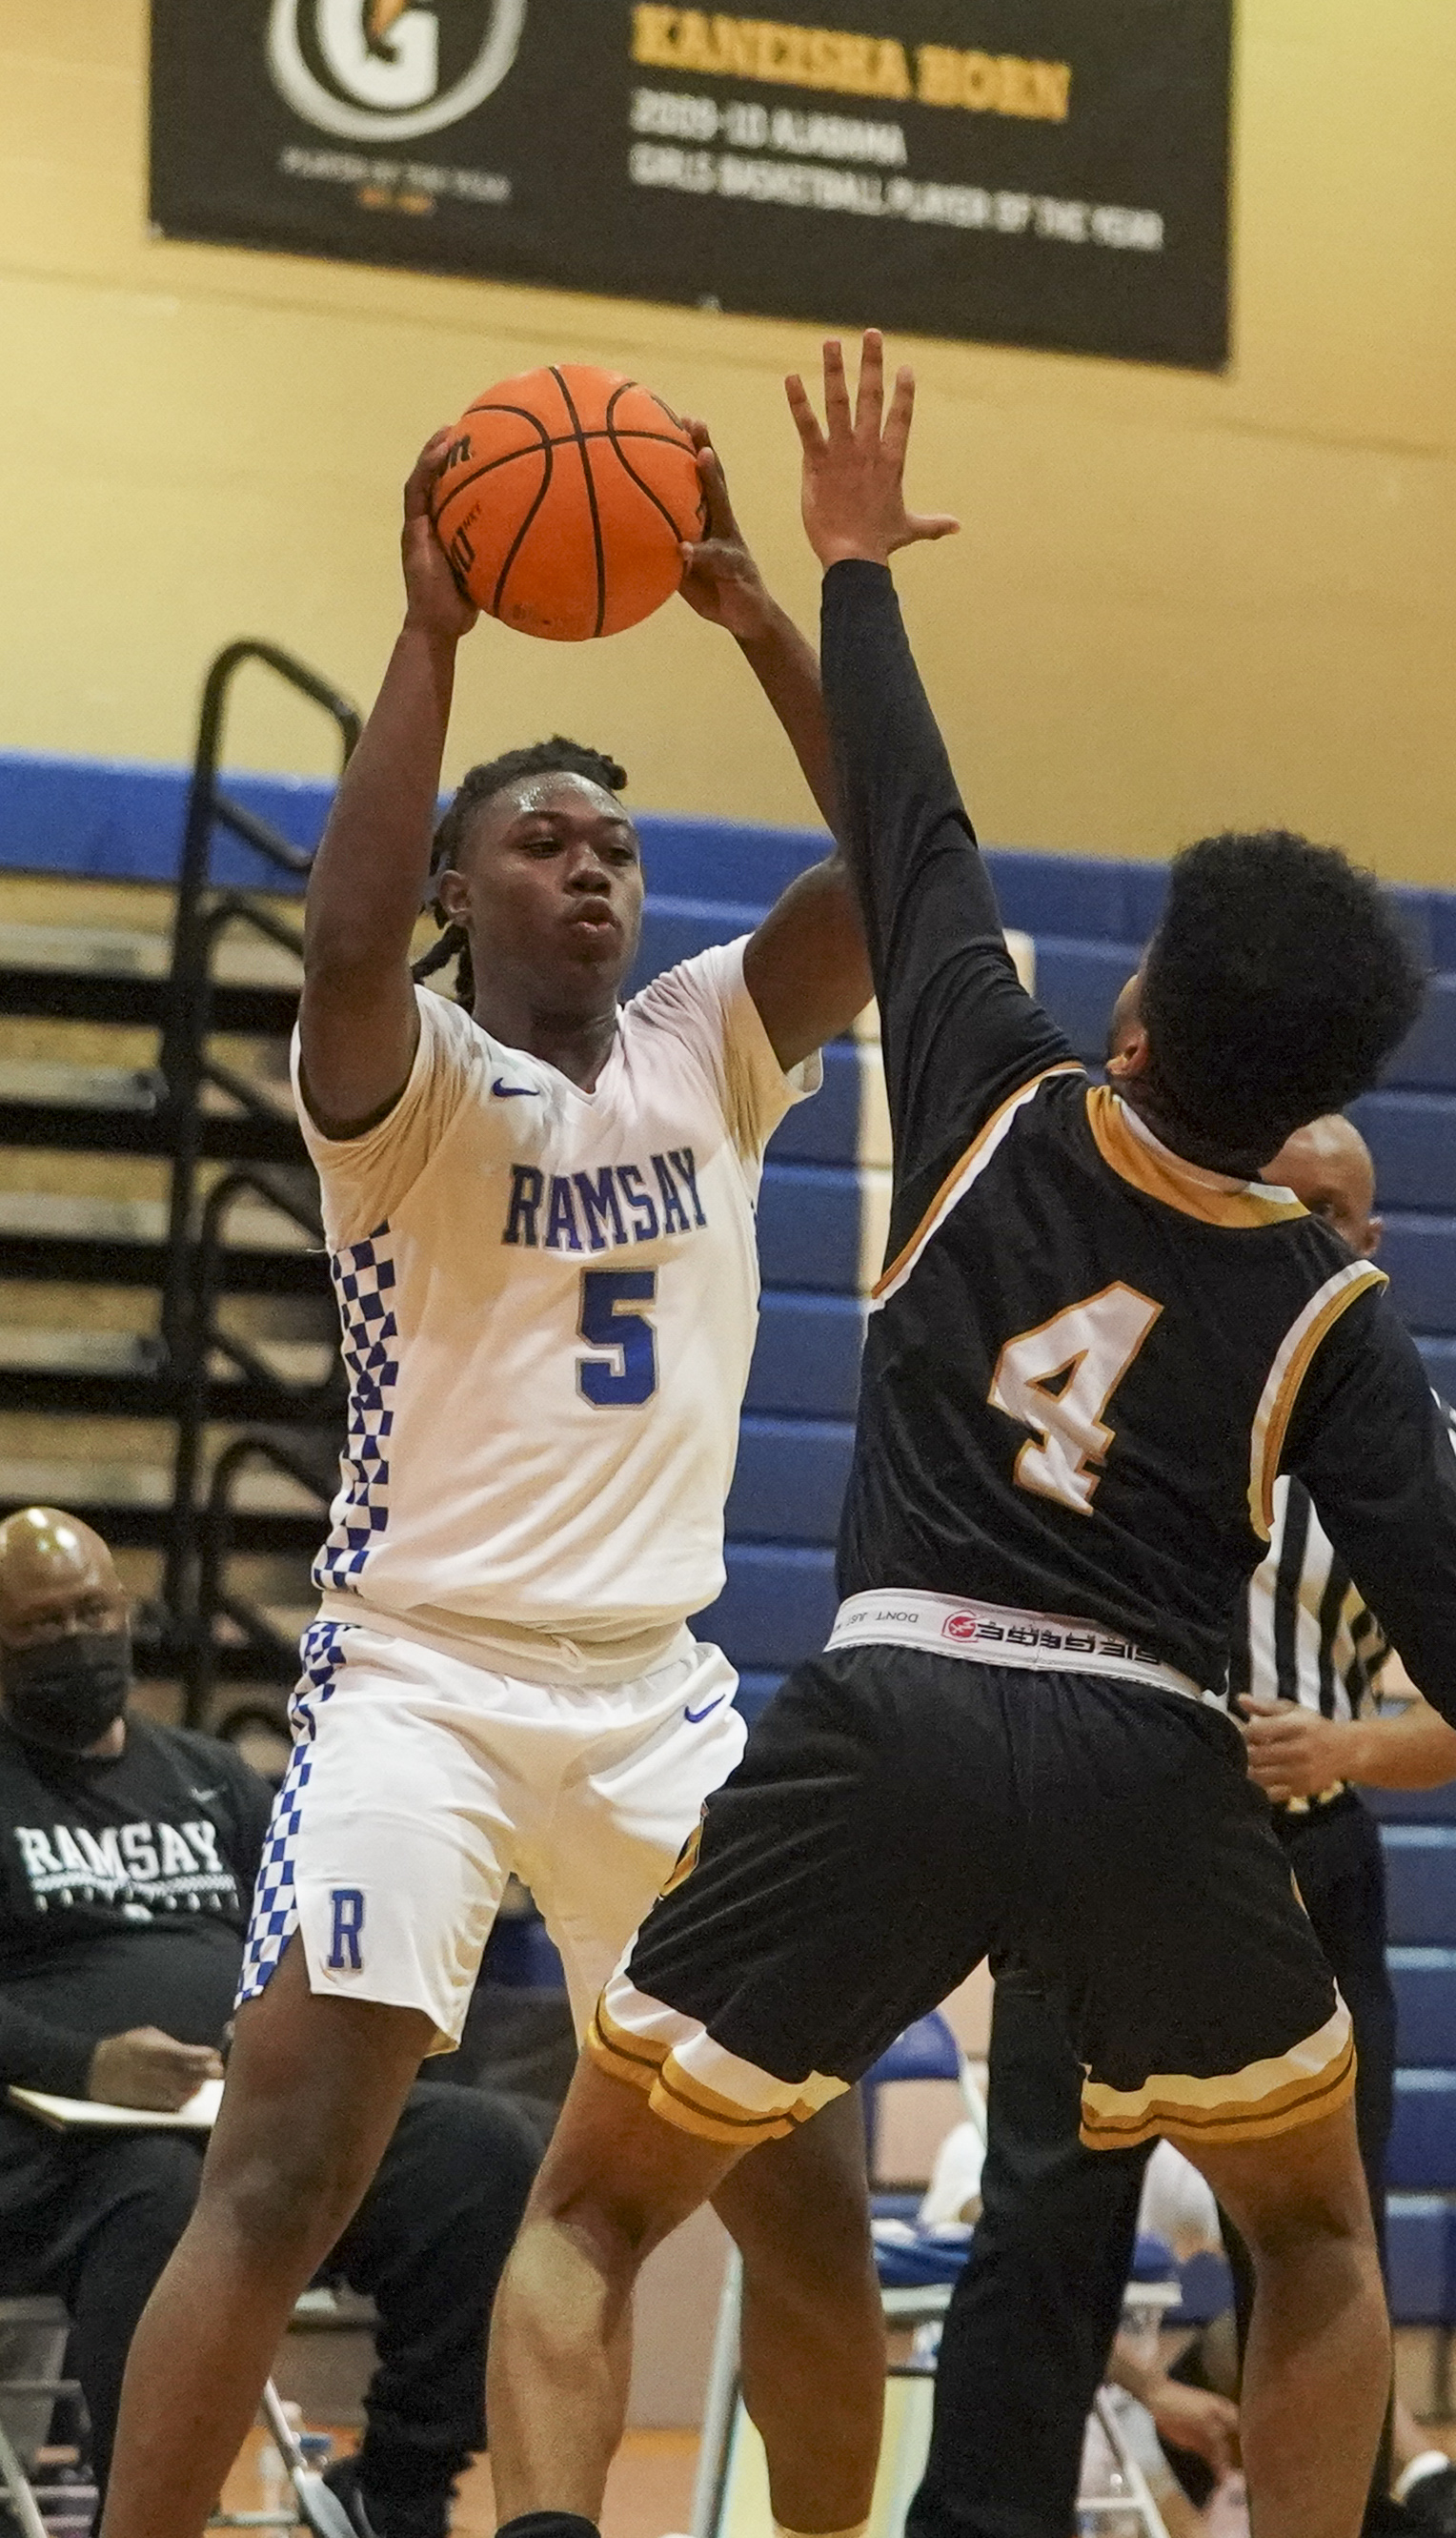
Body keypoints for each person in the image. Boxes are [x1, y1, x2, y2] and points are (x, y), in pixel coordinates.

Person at [481, 332, 1456, 2538]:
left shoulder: (991, 1091)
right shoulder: (1323, 1300)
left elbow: (913, 815)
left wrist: (838, 571)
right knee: (1315, 2245)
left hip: (898, 1706)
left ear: (1134, 1014)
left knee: (582, 2219)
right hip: (1154, 1769)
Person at [103, 415, 899, 2538]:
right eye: (544, 841)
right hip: (424, 1687)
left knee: (812, 2198)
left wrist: (762, 622)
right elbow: (342, 945)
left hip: (658, 1696)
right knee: (278, 2172)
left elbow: (911, 858)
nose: (596, 866)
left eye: (617, 845)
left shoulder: (715, 1039)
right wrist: (427, 636)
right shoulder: (404, 1083)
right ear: (466, 886)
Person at [908, 1114, 1456, 2538]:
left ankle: (1359, 2505)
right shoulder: (1121, 1373)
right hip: (1098, 1847)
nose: (1304, 1229)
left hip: (1302, 1869)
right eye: (1281, 1200)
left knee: (1318, 2245)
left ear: (1370, 1251)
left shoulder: (1421, 1448)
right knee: (1043, 2224)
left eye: (1332, 1213)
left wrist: (1339, 1742)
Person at [0, 1507, 537, 2536]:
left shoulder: (211, 1776)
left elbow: (304, 1941)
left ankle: (399, 2485)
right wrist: (88, 2065)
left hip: (247, 2117)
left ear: (127, 1611)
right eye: (40, 1625)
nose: (77, 1638)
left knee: (478, 2146)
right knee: (162, 2191)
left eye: (93, 1610)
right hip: (59, 2148)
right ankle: (156, 2511)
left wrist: (281, 2031)